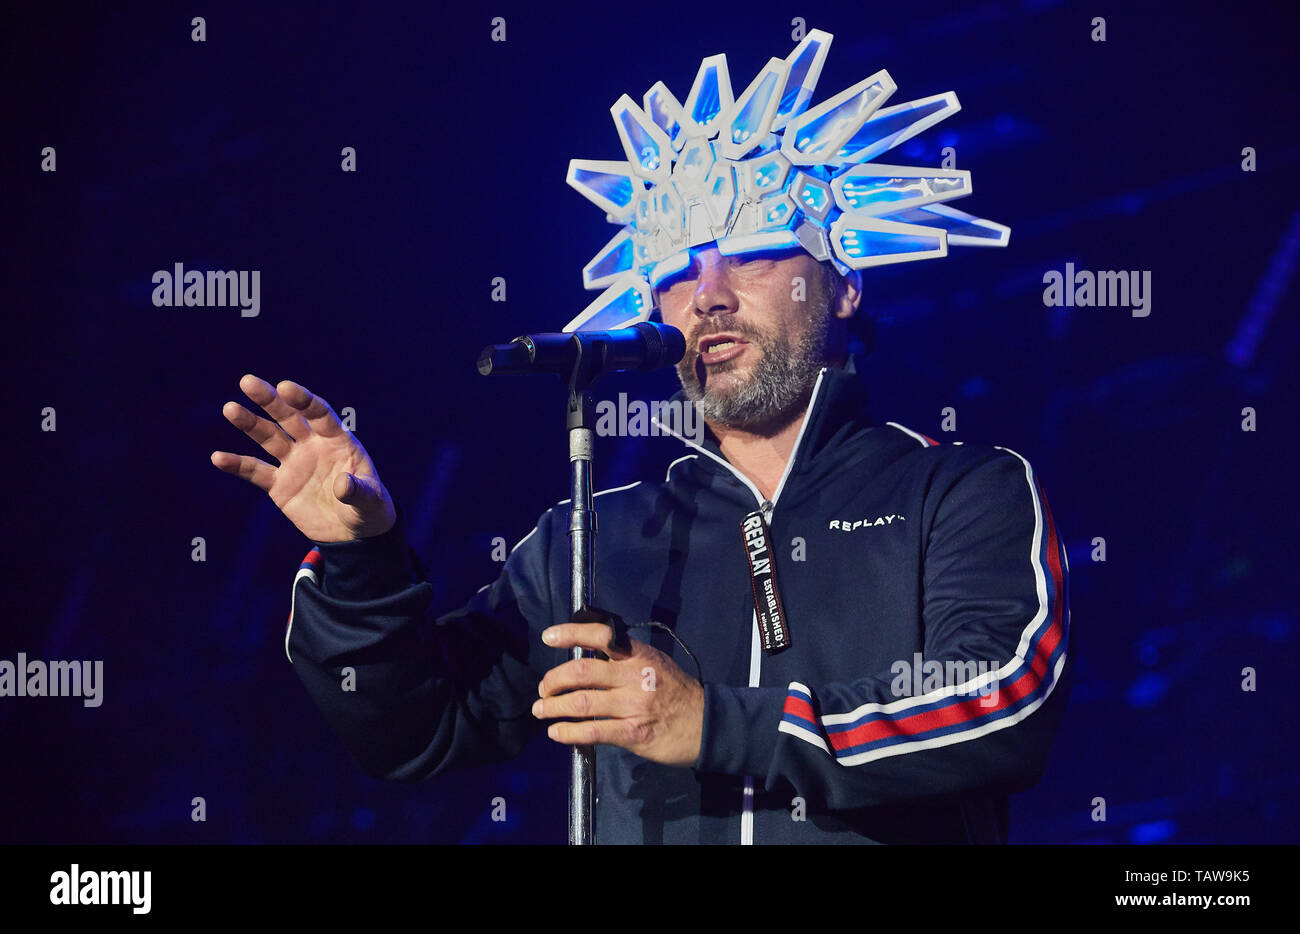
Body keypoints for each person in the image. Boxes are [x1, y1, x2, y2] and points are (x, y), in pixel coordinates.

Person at [210, 30, 1070, 844]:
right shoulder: (594, 539)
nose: (709, 295)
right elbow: (415, 731)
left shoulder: (958, 490)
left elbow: (1002, 704)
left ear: (842, 287)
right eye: (672, 271)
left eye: (755, 251)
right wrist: (364, 565)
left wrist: (715, 725)